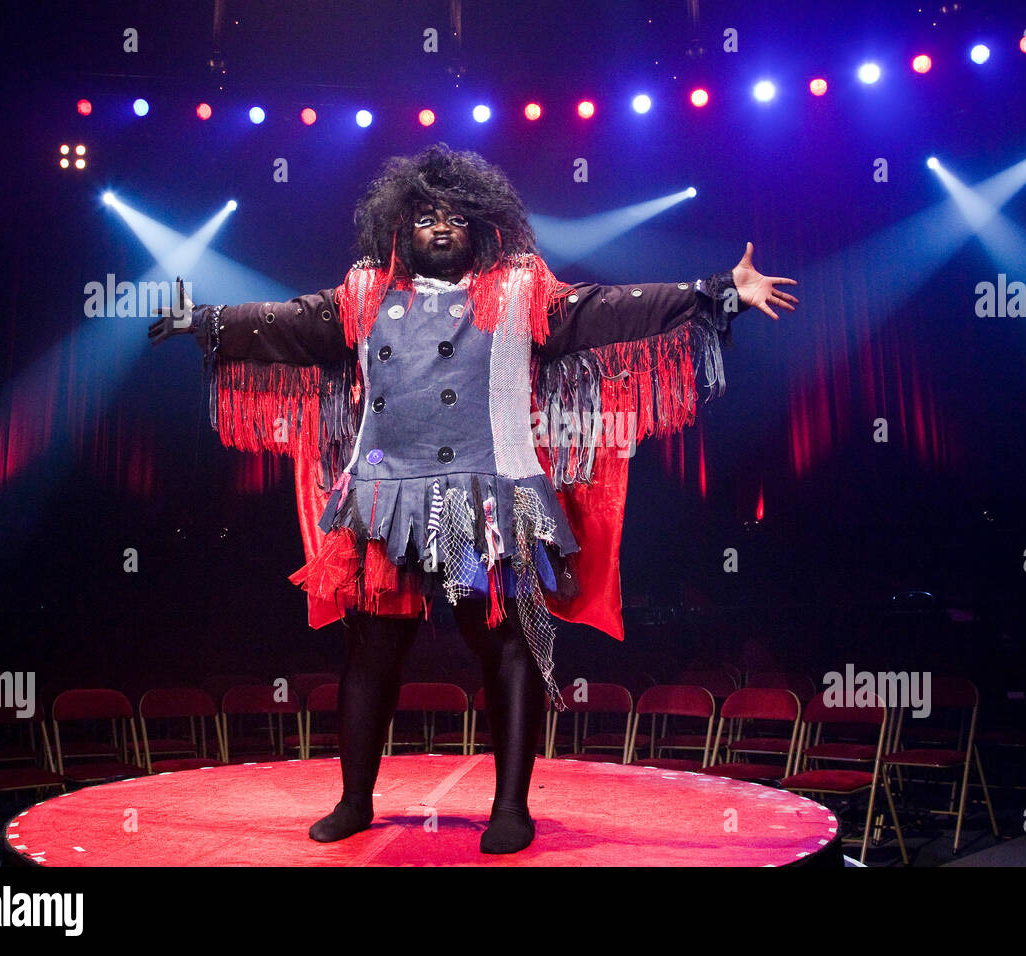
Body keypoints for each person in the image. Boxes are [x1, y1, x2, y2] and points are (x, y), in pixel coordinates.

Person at [149, 143, 796, 853]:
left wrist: (715, 290)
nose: (442, 226)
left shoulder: (521, 288)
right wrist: (205, 321)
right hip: (387, 496)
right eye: (426, 215)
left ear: (483, 224)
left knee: (506, 648)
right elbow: (294, 323)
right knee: (370, 655)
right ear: (400, 226)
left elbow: (607, 309)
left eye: (457, 215)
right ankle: (355, 801)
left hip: (487, 494)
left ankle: (511, 808)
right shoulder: (366, 291)